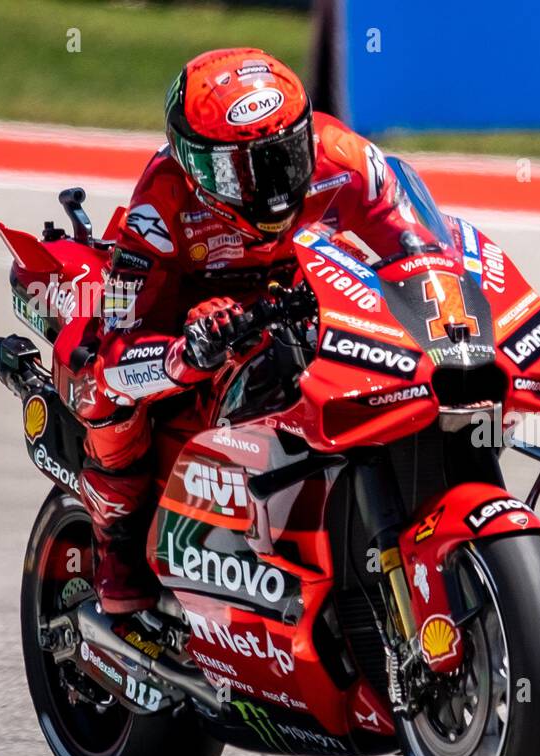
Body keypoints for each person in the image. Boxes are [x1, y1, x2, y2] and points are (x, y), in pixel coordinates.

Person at [71, 47, 422, 613]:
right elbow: (115, 341)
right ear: (195, 166)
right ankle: (117, 538)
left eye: (286, 156)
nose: (274, 185)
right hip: (204, 341)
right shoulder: (159, 202)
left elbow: (416, 243)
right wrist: (186, 353)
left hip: (315, 309)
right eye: (242, 169)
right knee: (94, 379)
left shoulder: (343, 154)